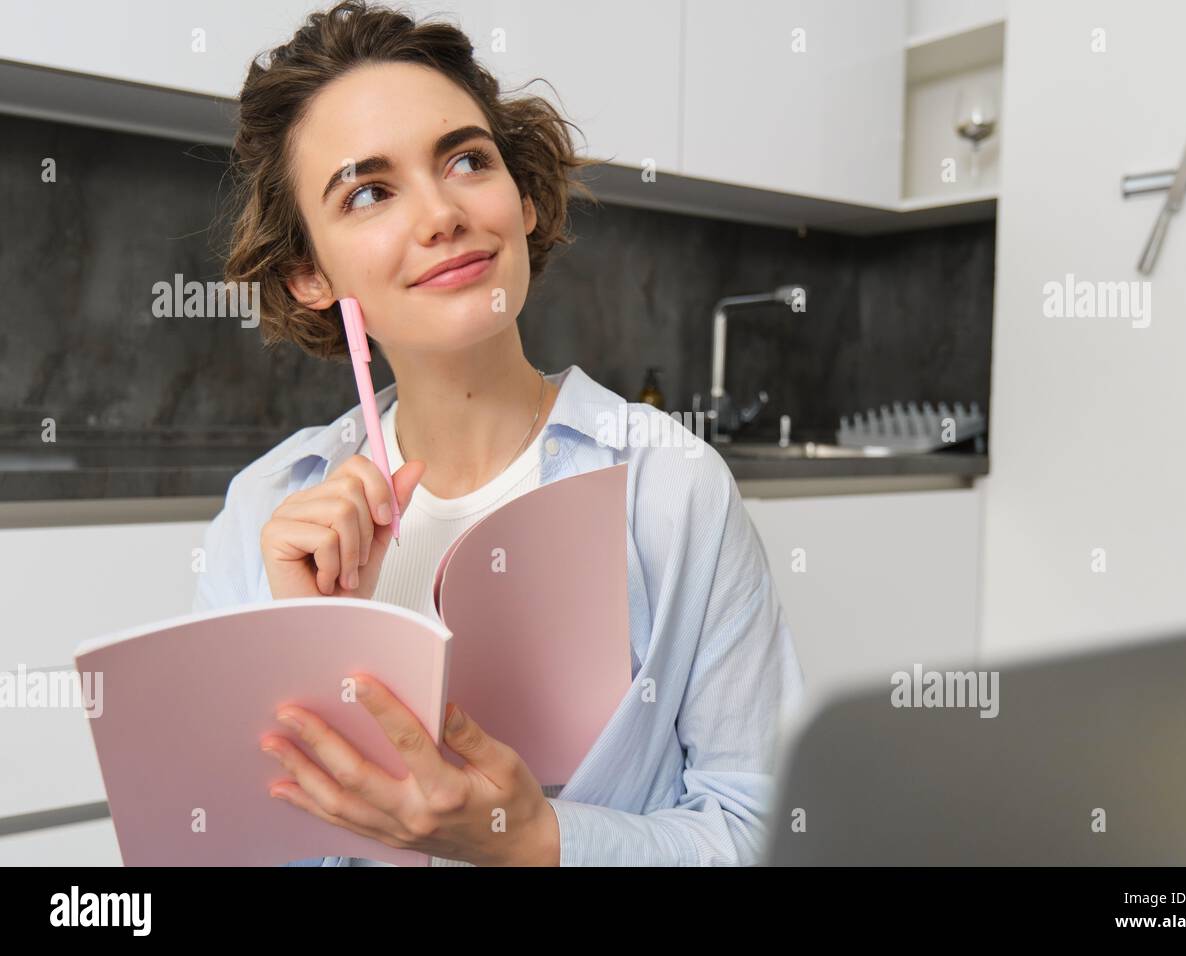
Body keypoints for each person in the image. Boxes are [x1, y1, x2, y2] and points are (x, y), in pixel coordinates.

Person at [194, 0, 803, 866]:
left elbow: (768, 834)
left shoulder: (671, 488)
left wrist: (537, 843)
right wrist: (309, 657)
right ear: (308, 274)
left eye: (467, 160)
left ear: (520, 199)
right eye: (368, 192)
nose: (442, 214)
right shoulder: (264, 518)